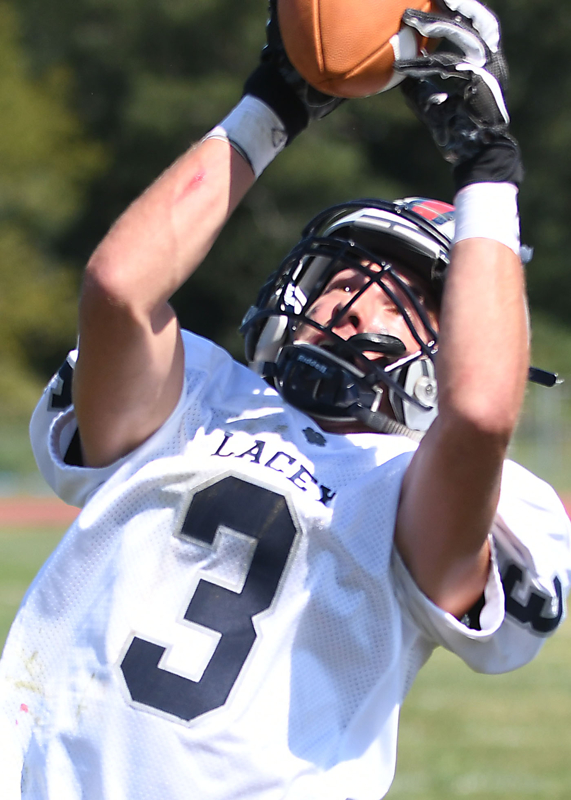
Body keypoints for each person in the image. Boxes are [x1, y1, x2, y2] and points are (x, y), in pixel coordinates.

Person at [1, 1, 570, 798]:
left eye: (399, 299)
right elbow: (118, 288)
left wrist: (487, 169)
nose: (351, 303)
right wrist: (271, 105)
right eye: (343, 277)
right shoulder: (197, 398)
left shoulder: (413, 490)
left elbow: (476, 415)